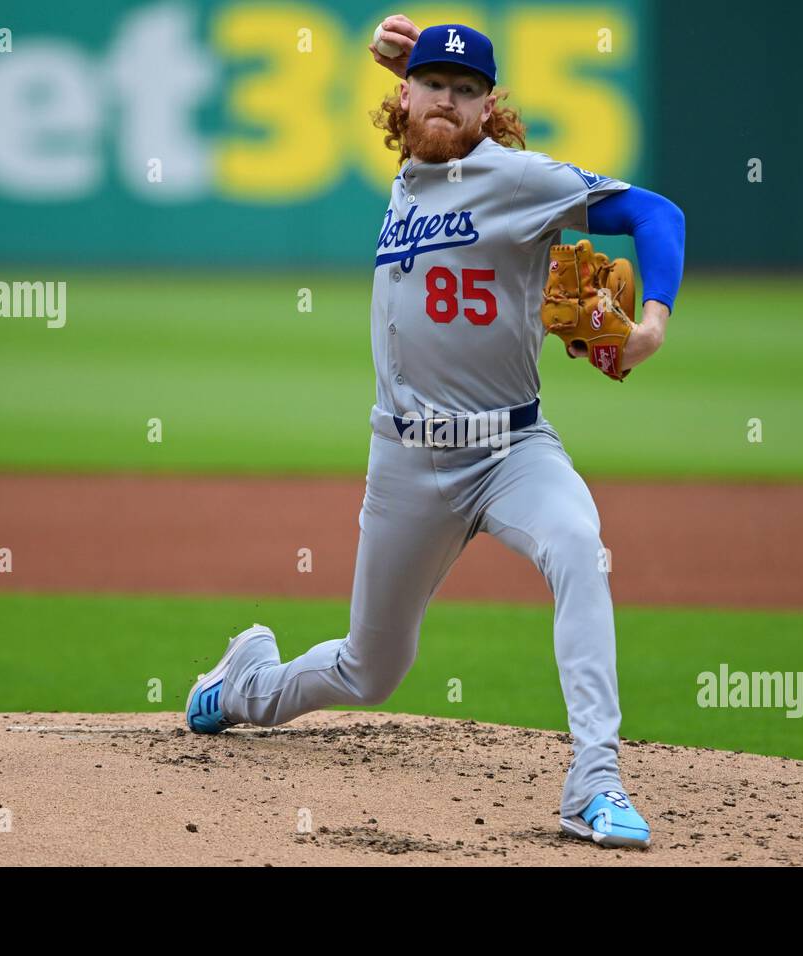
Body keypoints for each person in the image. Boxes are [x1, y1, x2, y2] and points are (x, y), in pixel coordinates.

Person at [187, 17, 685, 849]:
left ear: (491, 108)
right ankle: (246, 686)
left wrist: (653, 324)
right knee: (369, 670)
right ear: (404, 95)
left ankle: (595, 783)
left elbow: (657, 213)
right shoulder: (412, 175)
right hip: (407, 461)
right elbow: (426, 123)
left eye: (466, 91)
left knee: (579, 547)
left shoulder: (520, 178)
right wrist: (413, 65)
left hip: (514, 450)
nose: (448, 102)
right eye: (434, 86)